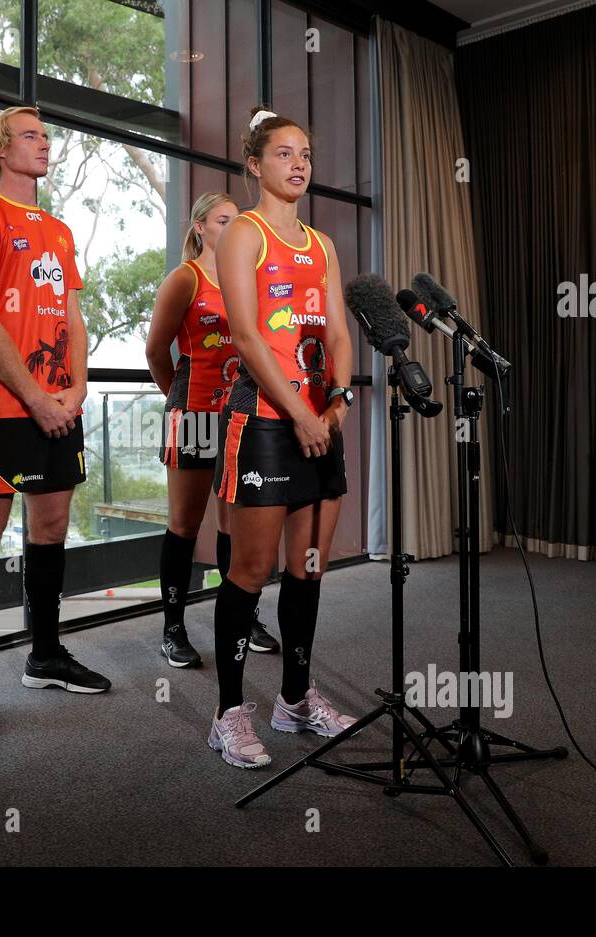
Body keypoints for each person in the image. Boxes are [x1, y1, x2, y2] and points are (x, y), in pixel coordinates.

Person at [0, 106, 111, 735]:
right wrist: (36, 397)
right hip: (3, 407)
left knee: (52, 526)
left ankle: (45, 655)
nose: (43, 144)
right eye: (29, 135)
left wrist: (77, 386)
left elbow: (72, 318)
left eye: (46, 136)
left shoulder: (59, 231)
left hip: (58, 405)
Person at [207, 107, 358, 769]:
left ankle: (294, 699)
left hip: (320, 423)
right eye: (284, 153)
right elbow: (245, 336)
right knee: (249, 571)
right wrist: (299, 412)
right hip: (267, 423)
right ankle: (228, 714)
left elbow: (339, 333)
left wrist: (339, 400)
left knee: (308, 566)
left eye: (306, 154)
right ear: (255, 163)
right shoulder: (245, 233)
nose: (299, 164)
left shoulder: (321, 245)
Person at [145, 192, 280, 668]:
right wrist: (180, 402)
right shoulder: (186, 278)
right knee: (184, 525)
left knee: (232, 523)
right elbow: (155, 351)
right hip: (195, 416)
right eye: (223, 220)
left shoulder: (247, 279)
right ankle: (173, 628)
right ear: (200, 227)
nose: (232, 227)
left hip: (238, 416)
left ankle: (242, 618)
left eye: (237, 220)